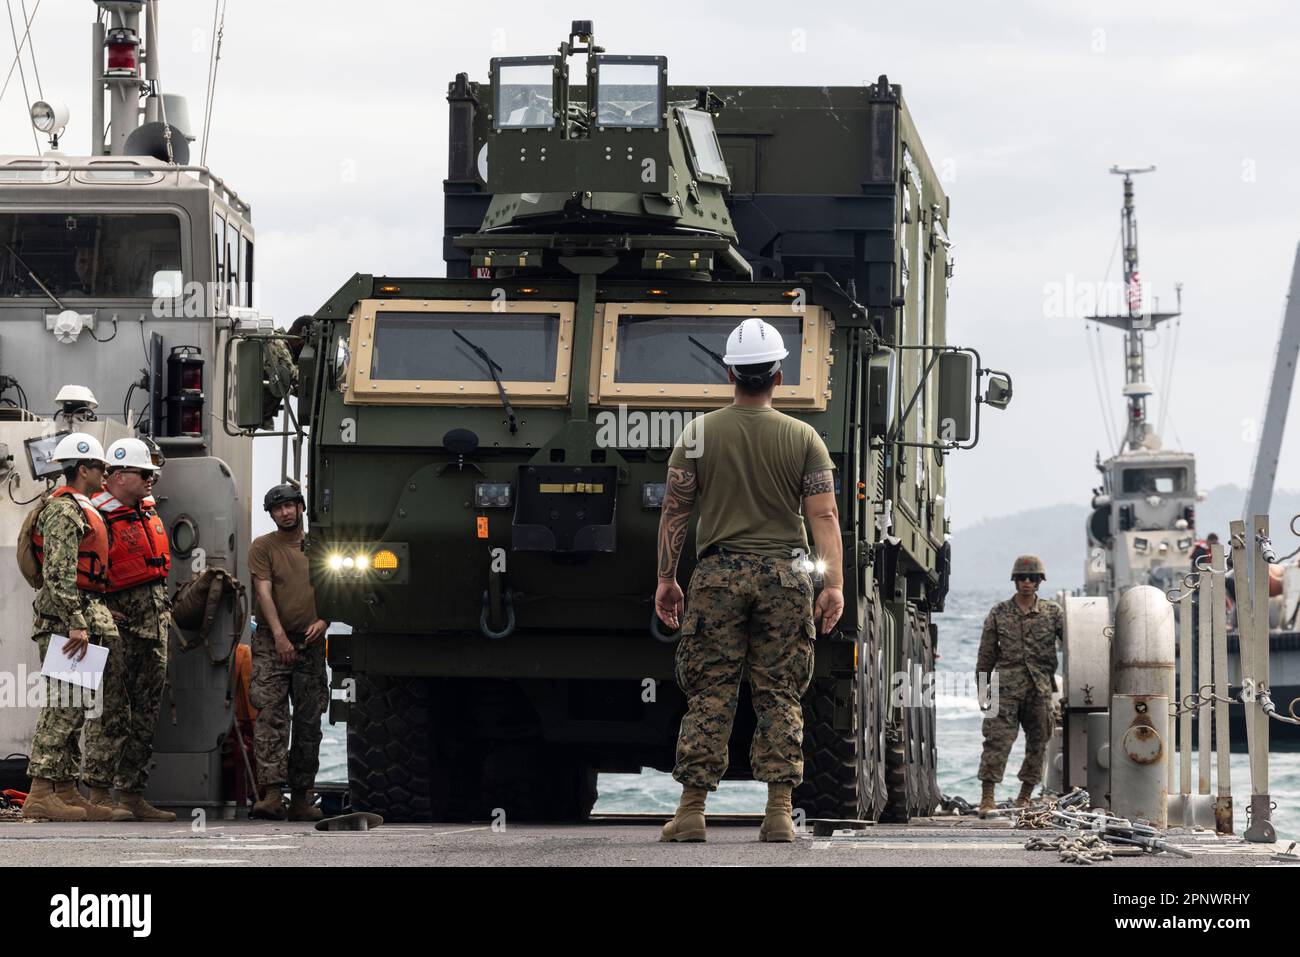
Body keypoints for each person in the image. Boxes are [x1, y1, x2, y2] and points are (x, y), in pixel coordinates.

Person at [654, 317, 844, 844]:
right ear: (778, 376)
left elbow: (675, 512)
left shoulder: (697, 435)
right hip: (786, 577)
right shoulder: (805, 438)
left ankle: (692, 811)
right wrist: (834, 586)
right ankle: (780, 813)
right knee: (780, 692)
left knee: (710, 693)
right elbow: (823, 517)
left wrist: (667, 579)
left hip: (716, 576)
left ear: (730, 372)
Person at [21, 433, 118, 822]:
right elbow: (58, 574)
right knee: (62, 706)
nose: (106, 473)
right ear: (83, 469)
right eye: (101, 467)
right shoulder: (64, 511)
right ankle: (41, 791)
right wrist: (76, 624)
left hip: (77, 619)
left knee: (75, 707)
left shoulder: (82, 507)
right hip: (65, 623)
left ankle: (64, 790)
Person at [82, 437, 174, 822]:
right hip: (116, 629)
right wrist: (96, 612)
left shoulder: (148, 510)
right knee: (112, 712)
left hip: (153, 626)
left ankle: (132, 793)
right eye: (143, 473)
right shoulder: (94, 516)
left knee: (146, 714)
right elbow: (74, 573)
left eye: (153, 473)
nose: (151, 479)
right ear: (117, 476)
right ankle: (100, 794)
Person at [248, 483, 328, 821]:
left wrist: (325, 619)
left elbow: (336, 586)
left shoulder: (319, 545)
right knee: (271, 718)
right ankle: (270, 795)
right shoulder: (263, 547)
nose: (286, 512)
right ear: (271, 514)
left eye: (291, 505)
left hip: (310, 644)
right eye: (279, 508)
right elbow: (263, 592)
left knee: (309, 722)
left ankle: (301, 797)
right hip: (271, 642)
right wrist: (279, 636)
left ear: (301, 508)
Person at [975, 555, 1062, 817]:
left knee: (1039, 742)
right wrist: (982, 690)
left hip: (1039, 689)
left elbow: (1075, 643)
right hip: (1004, 689)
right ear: (1015, 581)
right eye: (1022, 578)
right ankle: (987, 798)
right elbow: (985, 655)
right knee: (996, 742)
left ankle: (1024, 796)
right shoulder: (999, 613)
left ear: (1039, 582)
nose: (1027, 582)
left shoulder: (1052, 613)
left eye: (1032, 578)